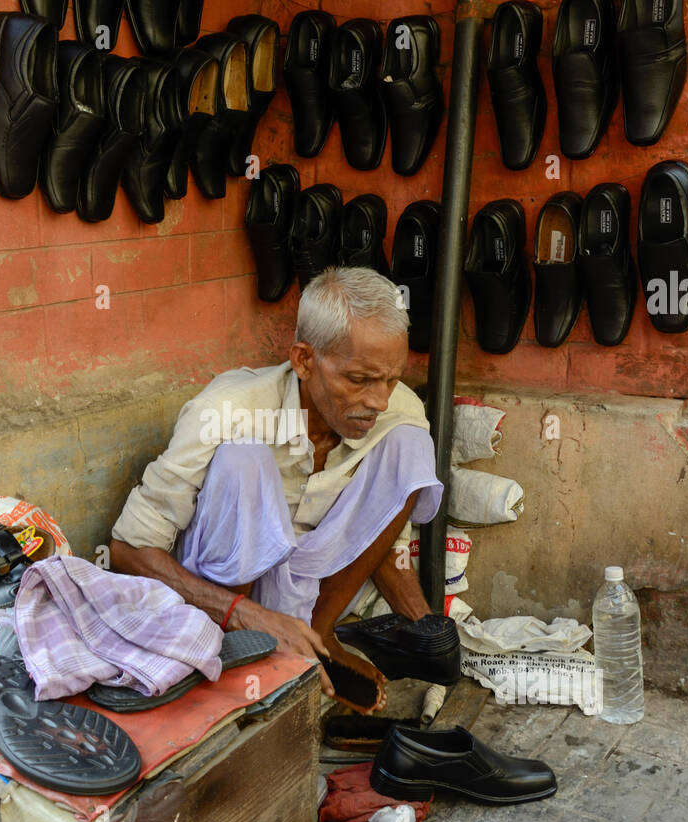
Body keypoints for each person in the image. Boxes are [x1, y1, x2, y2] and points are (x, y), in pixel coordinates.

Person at [109, 267, 444, 702]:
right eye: (359, 380)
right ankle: (235, 651)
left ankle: (319, 636)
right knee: (244, 457)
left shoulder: (398, 411)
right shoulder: (227, 410)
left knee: (410, 444)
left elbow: (382, 522)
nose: (378, 401)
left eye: (391, 378)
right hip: (223, 595)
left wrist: (424, 626)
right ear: (304, 360)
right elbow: (126, 549)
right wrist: (246, 615)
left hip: (313, 583)